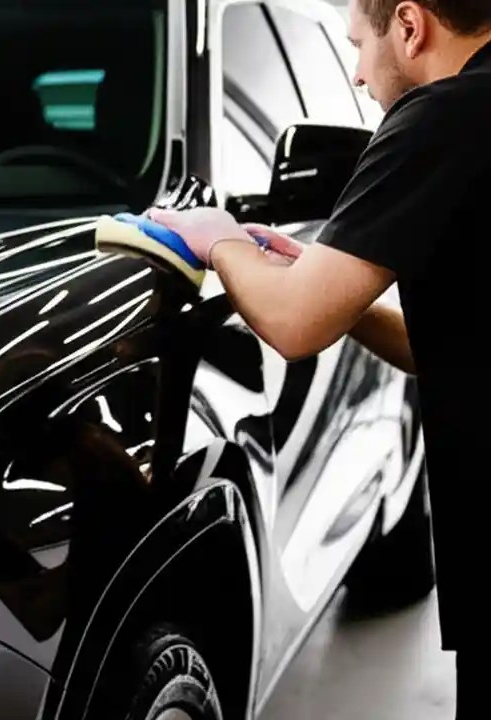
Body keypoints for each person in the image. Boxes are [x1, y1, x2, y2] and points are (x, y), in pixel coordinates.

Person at [147, 0, 491, 715]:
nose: (358, 78)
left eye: (358, 46)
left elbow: (295, 325)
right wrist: (343, 288)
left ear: (409, 24)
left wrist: (219, 240)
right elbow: (452, 346)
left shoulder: (441, 117)